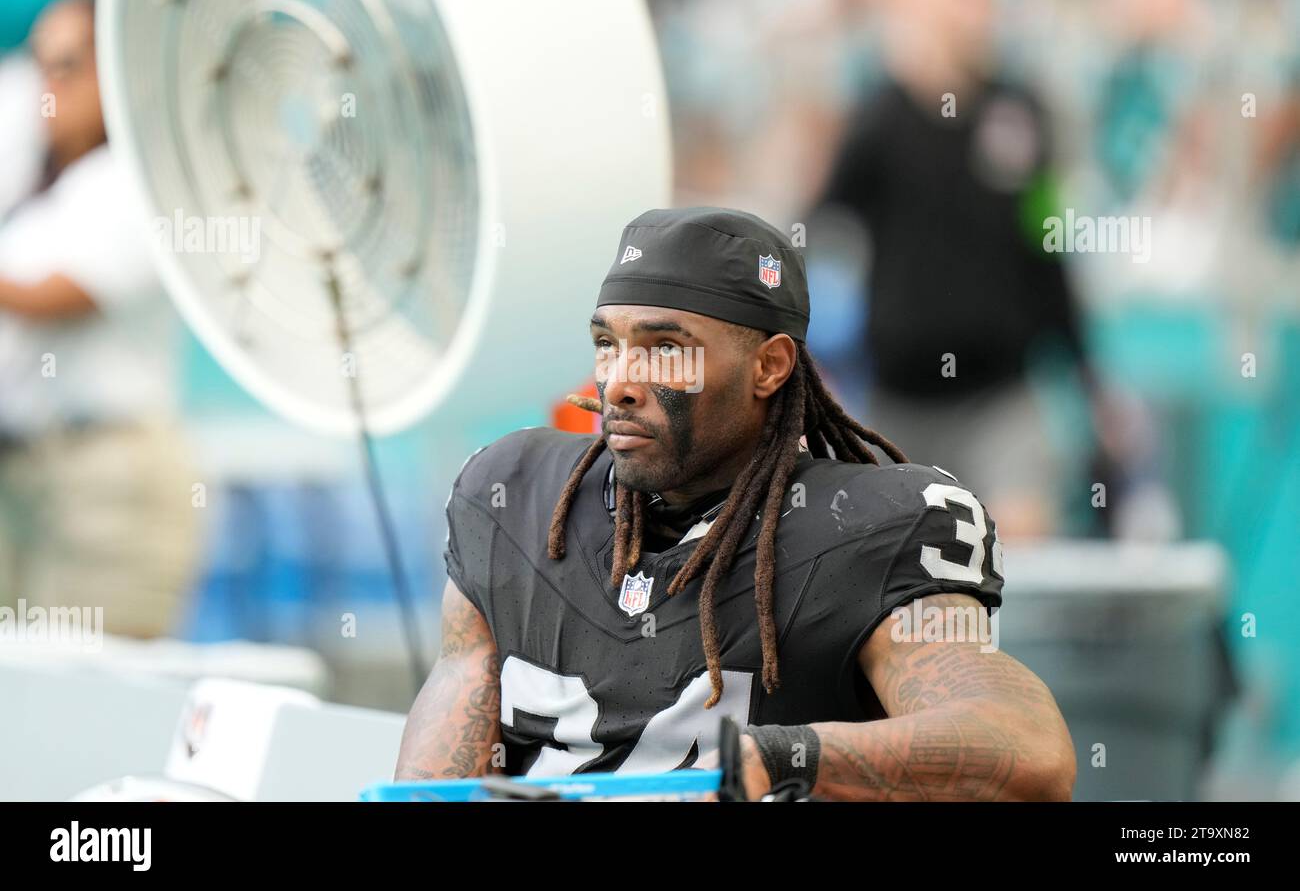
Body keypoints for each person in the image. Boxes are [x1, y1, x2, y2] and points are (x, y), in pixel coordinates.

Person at [396, 207, 1075, 801]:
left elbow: (1027, 750)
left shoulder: (864, 527)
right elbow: (429, 790)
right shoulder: (515, 498)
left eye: (666, 349)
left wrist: (785, 757)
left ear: (769, 367)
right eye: (608, 344)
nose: (620, 382)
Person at [811, 0, 1096, 539]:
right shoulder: (880, 120)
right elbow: (812, 227)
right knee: (897, 581)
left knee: (1021, 545)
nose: (980, 9)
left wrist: (1089, 375)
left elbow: (1046, 249)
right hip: (901, 403)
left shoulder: (1019, 113)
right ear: (916, 4)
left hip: (1001, 399)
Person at [0, 0, 200, 638]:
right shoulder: (41, 185)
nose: (48, 88)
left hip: (107, 482)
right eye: (41, 67)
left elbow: (61, 299)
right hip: (28, 473)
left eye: (69, 66)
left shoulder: (140, 182)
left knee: (88, 690)